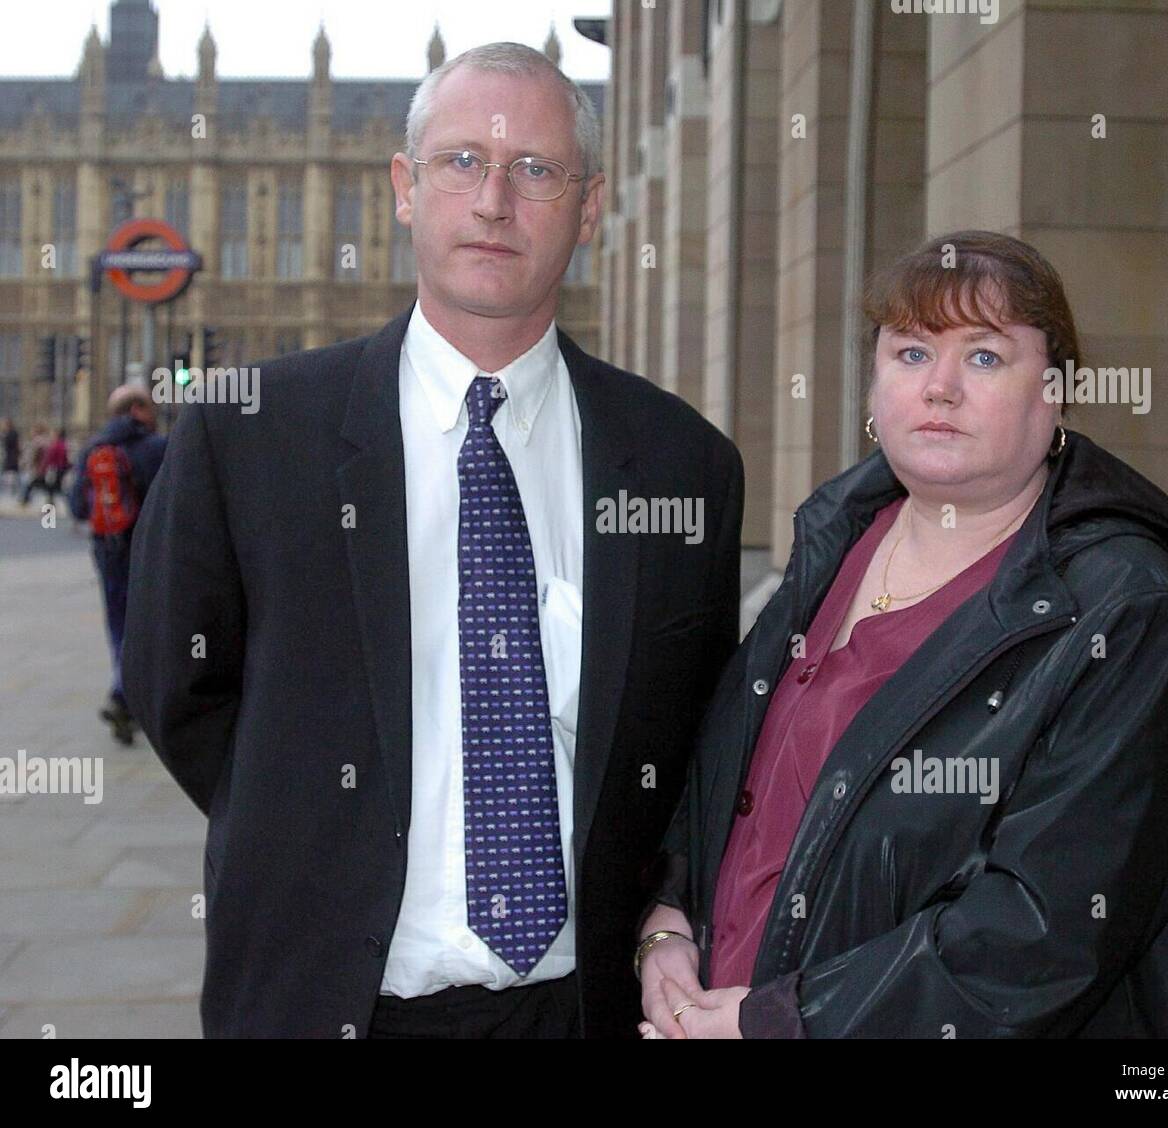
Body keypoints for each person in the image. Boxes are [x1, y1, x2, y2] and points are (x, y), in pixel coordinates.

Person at [120, 42, 743, 1039]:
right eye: (460, 162)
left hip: (581, 1011)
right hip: (326, 1000)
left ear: (588, 209)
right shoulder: (251, 435)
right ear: (405, 189)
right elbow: (175, 686)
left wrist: (668, 916)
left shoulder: (681, 466)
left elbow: (700, 743)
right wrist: (314, 835)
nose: (494, 200)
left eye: (535, 170)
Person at [636, 230, 1168, 1039]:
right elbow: (729, 782)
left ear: (1055, 390)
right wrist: (670, 921)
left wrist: (783, 1021)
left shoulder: (1124, 611)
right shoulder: (837, 539)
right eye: (912, 353)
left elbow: (1042, 932)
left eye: (986, 358)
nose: (942, 388)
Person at [69, 386, 167, 745]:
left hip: (108, 550)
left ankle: (126, 693)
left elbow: (78, 506)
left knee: (118, 624)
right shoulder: (157, 447)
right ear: (139, 409)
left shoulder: (93, 448)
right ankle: (125, 696)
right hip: (147, 549)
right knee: (149, 624)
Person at [1, 417, 19, 498]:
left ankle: (11, 493)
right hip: (9, 458)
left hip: (11, 458)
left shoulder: (12, 434)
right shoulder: (9, 433)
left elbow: (9, 444)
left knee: (10, 476)